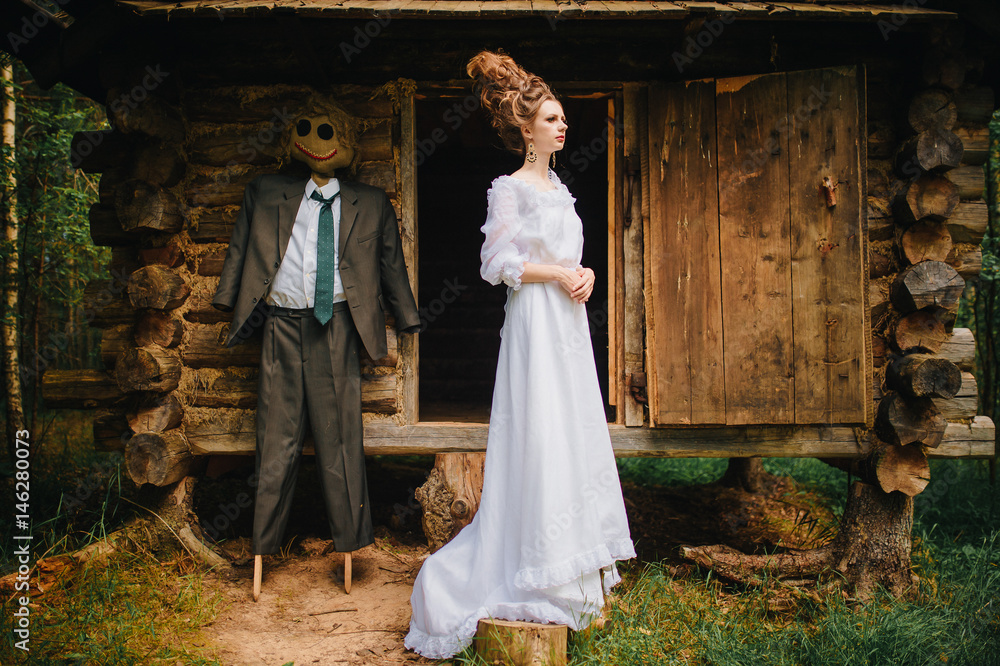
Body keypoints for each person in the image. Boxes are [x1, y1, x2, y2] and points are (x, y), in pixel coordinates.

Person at [404, 51, 635, 659]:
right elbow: (496, 264)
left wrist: (582, 274)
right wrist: (556, 275)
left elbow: (568, 257)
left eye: (563, 120)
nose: (563, 128)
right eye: (553, 120)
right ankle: (526, 565)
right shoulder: (507, 189)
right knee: (537, 430)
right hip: (534, 322)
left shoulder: (562, 188)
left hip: (568, 324)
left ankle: (566, 568)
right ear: (527, 129)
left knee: (570, 432)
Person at [213, 94, 421, 599]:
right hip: (280, 326)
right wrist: (226, 299)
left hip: (338, 328)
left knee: (340, 437)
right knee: (276, 436)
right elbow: (241, 247)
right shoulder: (265, 192)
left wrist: (407, 316)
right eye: (307, 130)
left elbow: (391, 264)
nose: (316, 141)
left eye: (328, 133)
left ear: (346, 144)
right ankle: (262, 549)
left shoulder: (370, 204)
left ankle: (349, 547)